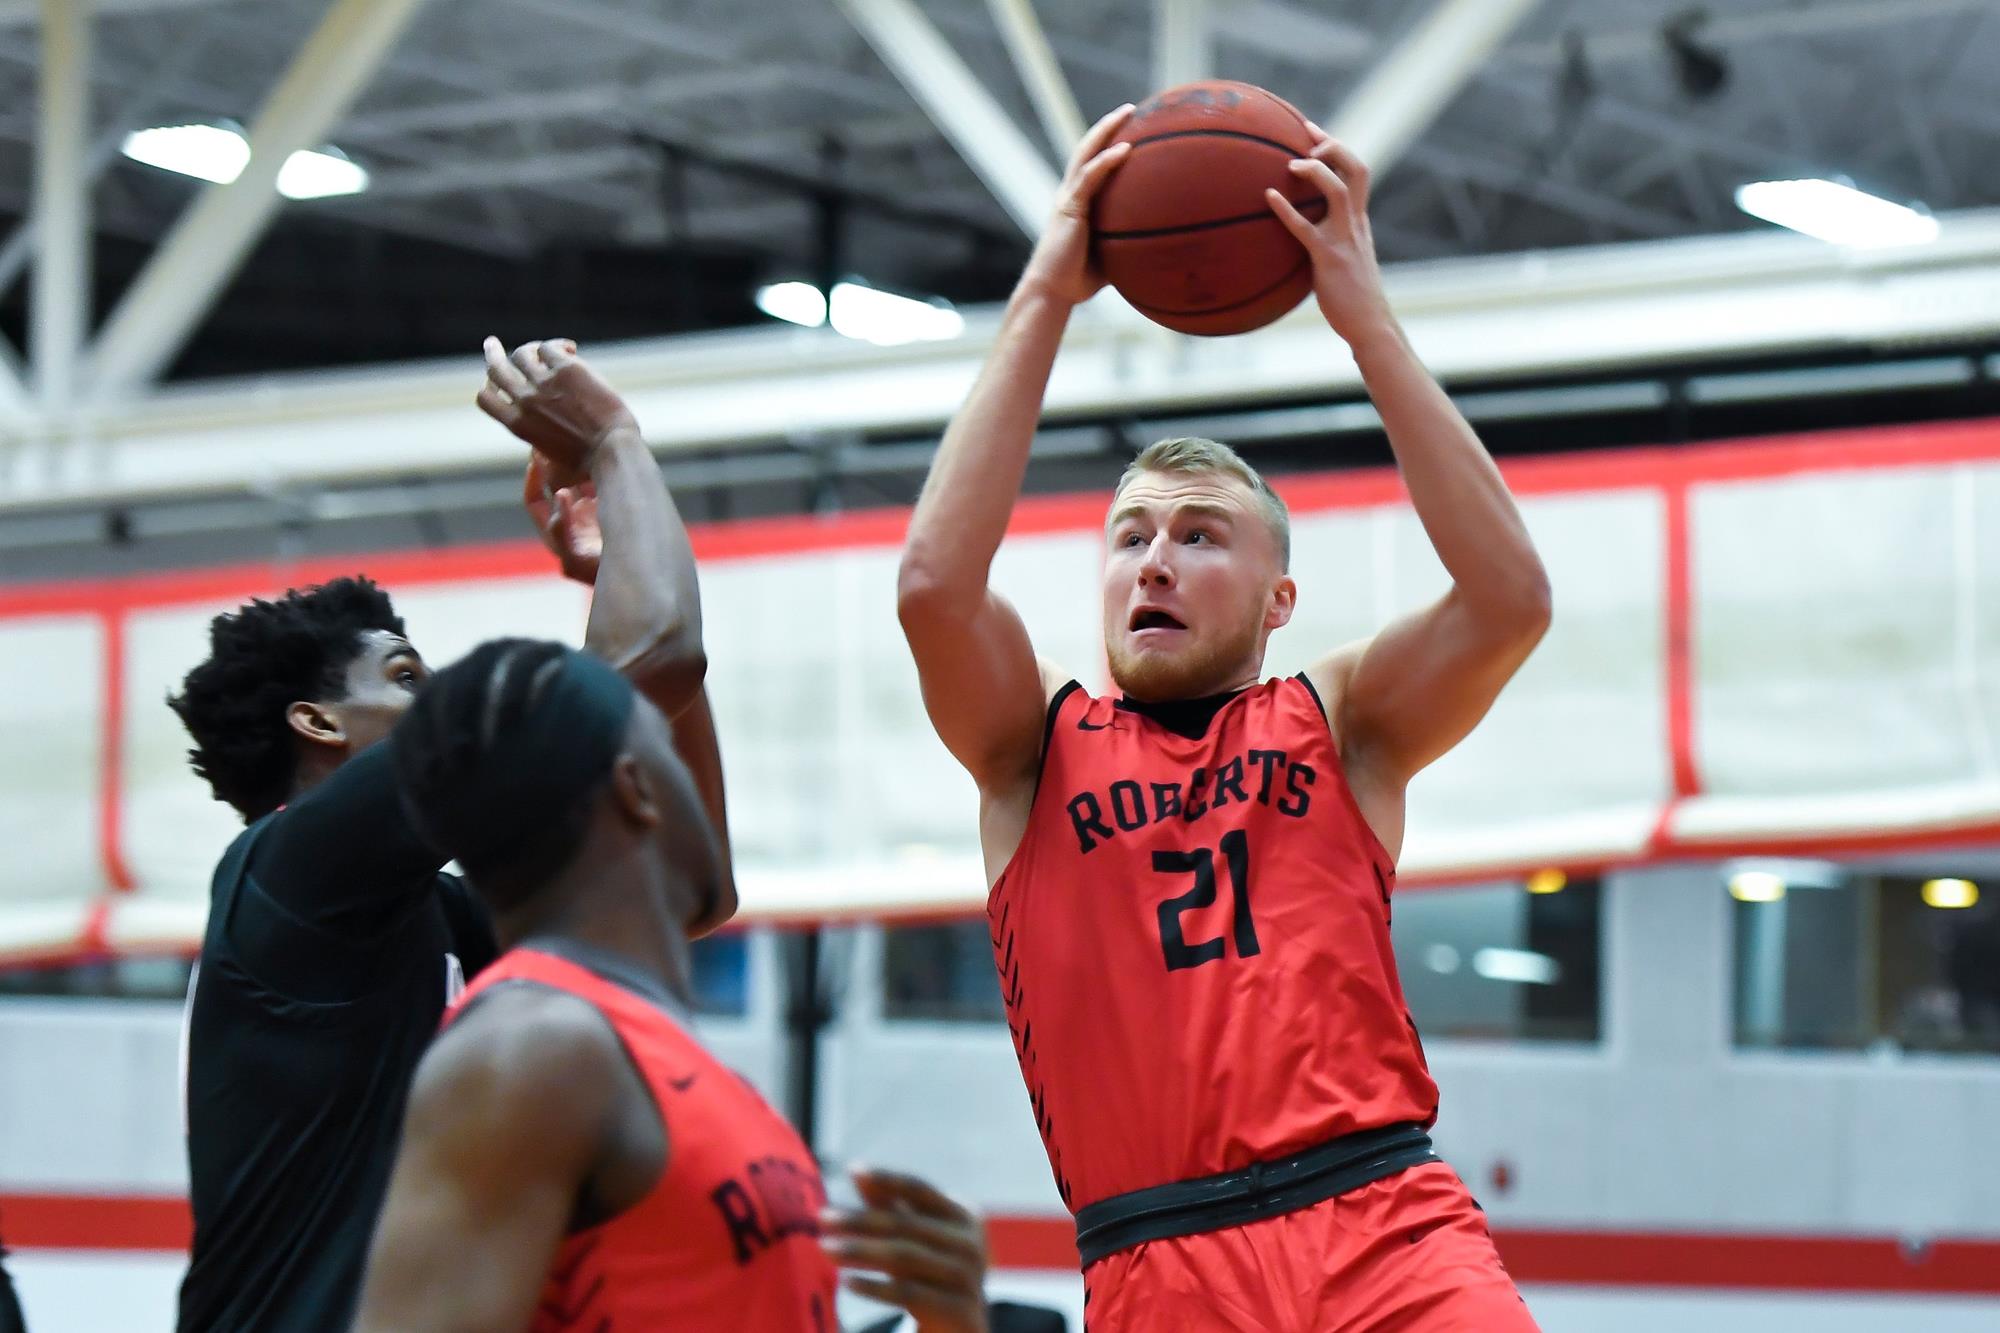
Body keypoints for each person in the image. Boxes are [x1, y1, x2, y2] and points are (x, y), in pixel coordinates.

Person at [894, 104, 1551, 1330]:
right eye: (1130, 536)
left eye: (1200, 537)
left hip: (1383, 1223)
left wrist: (1361, 313)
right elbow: (933, 587)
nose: (1154, 562)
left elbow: (1509, 596)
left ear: (1277, 596)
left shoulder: (1341, 719)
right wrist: (1045, 289)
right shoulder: (1030, 752)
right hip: (1161, 1258)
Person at [169, 338, 724, 1333]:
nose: (441, 703)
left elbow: (687, 892)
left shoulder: (429, 910)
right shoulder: (291, 870)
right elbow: (657, 648)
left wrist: (614, 585)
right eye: (407, 678)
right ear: (318, 723)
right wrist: (614, 442)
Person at [351, 640, 1002, 1332]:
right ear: (636, 788)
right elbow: (671, 641)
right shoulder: (530, 1049)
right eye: (666, 743)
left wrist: (952, 1325)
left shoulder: (658, 1059)